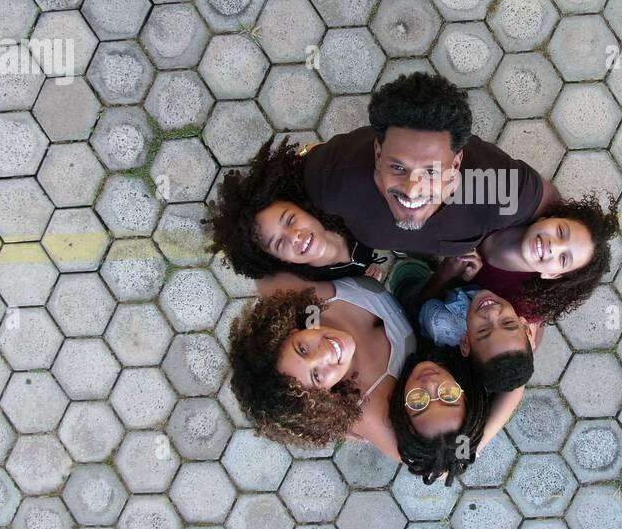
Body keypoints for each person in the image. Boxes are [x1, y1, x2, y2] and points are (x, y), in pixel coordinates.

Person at [302, 71, 558, 255]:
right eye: (398, 167)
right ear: (378, 154)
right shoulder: (334, 177)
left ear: (456, 164)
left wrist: (501, 257)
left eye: (431, 171)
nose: (412, 190)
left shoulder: (495, 187)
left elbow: (554, 209)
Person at [226, 273, 414, 460]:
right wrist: (338, 421)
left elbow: (258, 265)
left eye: (302, 349)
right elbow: (431, 466)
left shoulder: (308, 307)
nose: (325, 353)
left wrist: (351, 262)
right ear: (325, 396)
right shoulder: (373, 410)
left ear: (290, 332)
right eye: (316, 376)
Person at [416, 195, 620, 325]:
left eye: (563, 258)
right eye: (560, 231)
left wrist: (448, 275)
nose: (553, 246)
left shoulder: (521, 304)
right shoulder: (513, 205)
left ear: (552, 275)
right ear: (547, 217)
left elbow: (423, 314)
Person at [206, 138, 385, 281]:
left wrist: (307, 153)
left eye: (291, 219)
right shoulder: (314, 283)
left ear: (303, 207)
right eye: (278, 243)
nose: (294, 237)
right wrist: (365, 279)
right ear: (278, 259)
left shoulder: (342, 210)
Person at [389, 346, 490, 486]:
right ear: (466, 398)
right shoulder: (474, 361)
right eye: (449, 396)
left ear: (402, 415)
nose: (430, 384)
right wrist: (467, 449)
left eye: (418, 402)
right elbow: (513, 392)